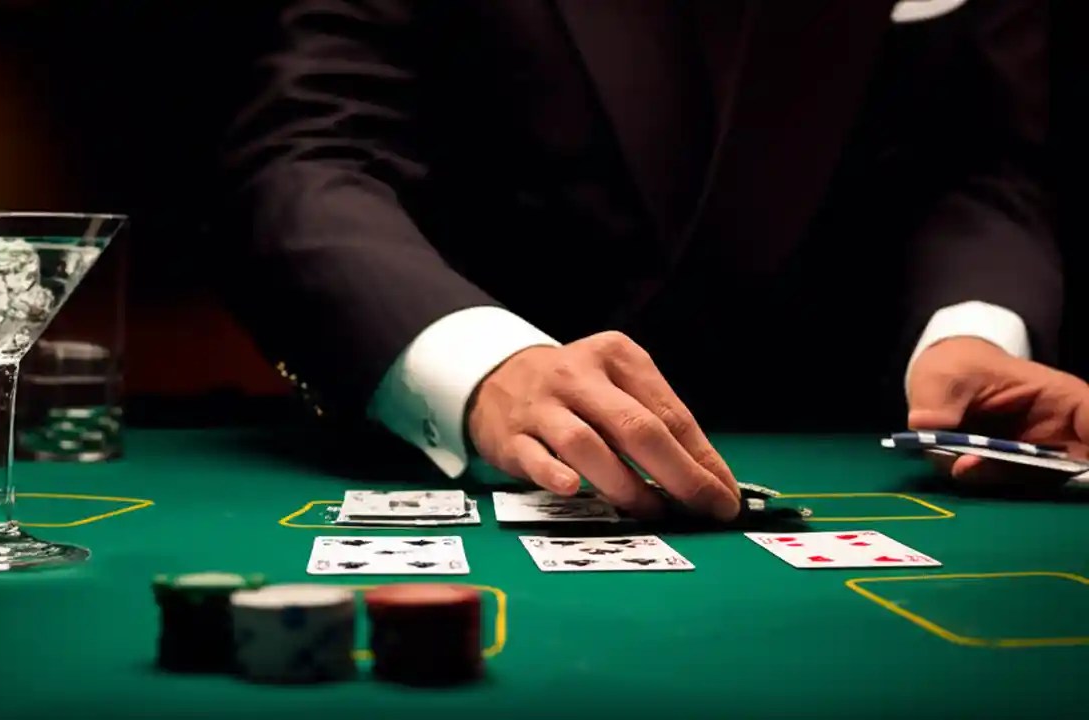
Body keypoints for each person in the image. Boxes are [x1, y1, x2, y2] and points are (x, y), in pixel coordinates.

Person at [222, 0, 1082, 520]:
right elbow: (307, 160)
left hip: (850, 434)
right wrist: (483, 368)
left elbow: (986, 162)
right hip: (475, 450)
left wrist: (976, 331)